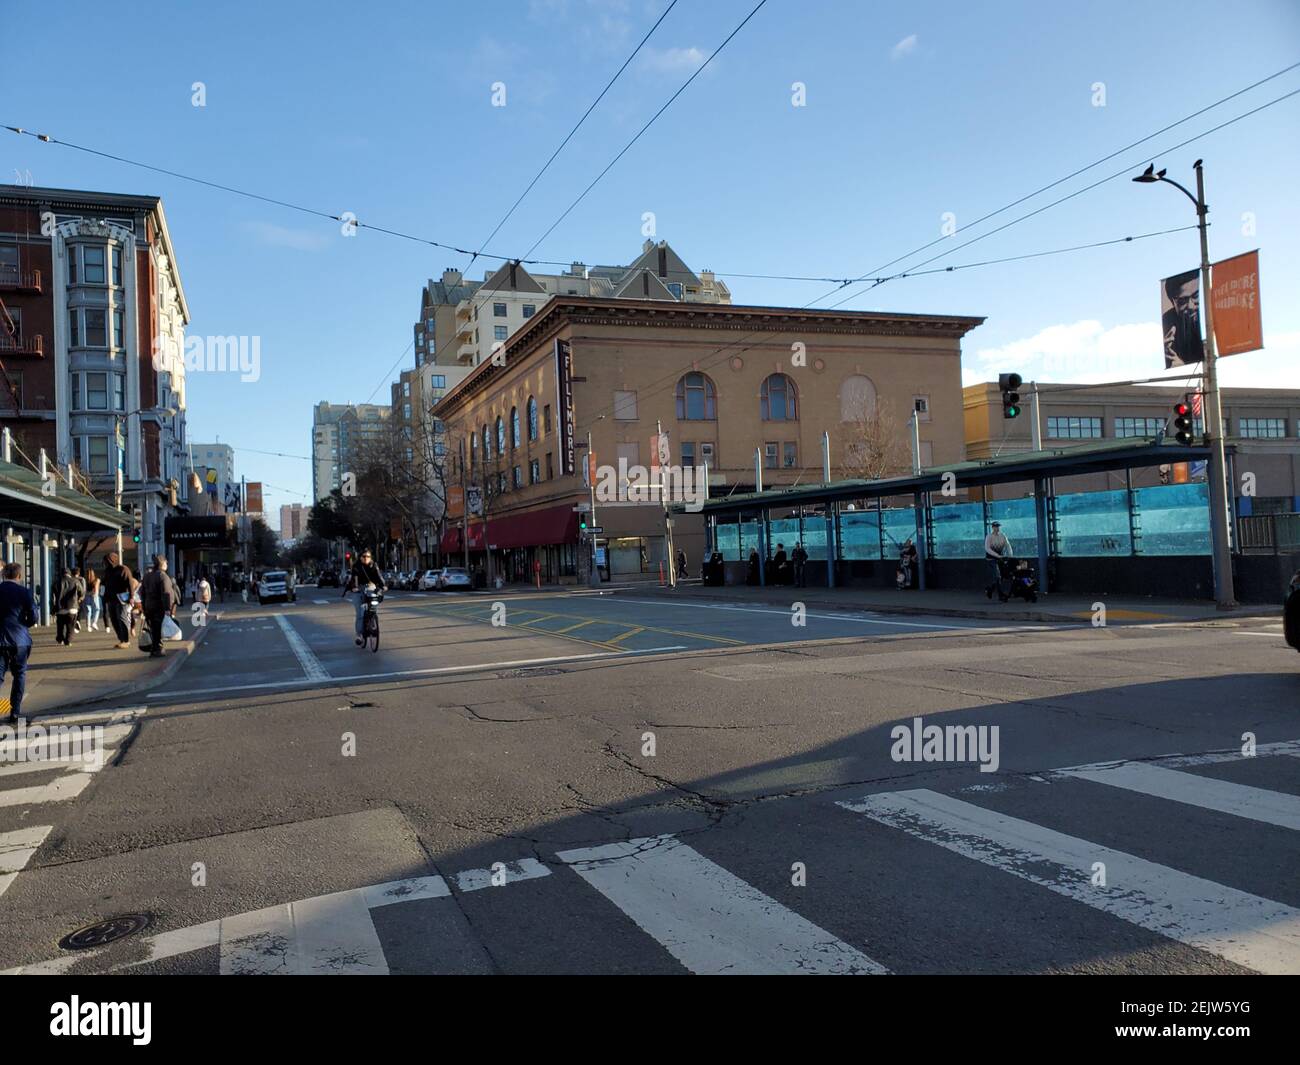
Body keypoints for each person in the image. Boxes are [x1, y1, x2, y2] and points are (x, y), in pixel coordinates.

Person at [0, 562, 38, 724]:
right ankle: (14, 712)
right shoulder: (25, 592)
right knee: (20, 675)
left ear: (3, 575)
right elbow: (34, 616)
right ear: (19, 576)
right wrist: (24, 625)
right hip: (20, 640)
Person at [342, 548, 385, 646]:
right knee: (360, 612)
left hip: (370, 587)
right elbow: (354, 578)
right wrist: (355, 588)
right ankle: (359, 635)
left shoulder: (374, 565)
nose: (366, 558)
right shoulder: (356, 566)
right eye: (364, 556)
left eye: (368, 556)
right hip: (358, 589)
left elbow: (379, 577)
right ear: (360, 557)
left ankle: (373, 623)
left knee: (373, 606)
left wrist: (383, 585)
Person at [140, 555, 179, 658]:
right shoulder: (162, 576)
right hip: (159, 606)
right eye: (166, 563)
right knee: (158, 628)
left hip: (149, 606)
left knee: (153, 628)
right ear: (162, 564)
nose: (167, 565)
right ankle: (158, 649)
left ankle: (154, 649)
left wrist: (144, 607)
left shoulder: (147, 576)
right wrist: (167, 608)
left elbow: (142, 593)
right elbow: (167, 593)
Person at [101, 552, 134, 649]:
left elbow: (130, 583)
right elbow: (105, 584)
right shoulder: (108, 571)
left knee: (121, 618)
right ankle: (121, 639)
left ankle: (126, 641)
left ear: (112, 560)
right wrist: (105, 596)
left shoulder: (123, 569)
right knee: (114, 619)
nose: (105, 563)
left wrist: (131, 597)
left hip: (122, 599)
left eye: (106, 561)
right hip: (111, 599)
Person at [984, 521, 1013, 600]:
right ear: (992, 527)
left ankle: (989, 590)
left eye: (998, 526)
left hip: (1000, 559)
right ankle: (1001, 595)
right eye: (996, 526)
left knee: (1001, 577)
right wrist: (997, 556)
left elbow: (1008, 545)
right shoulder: (989, 536)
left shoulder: (1003, 536)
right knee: (998, 576)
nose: (997, 528)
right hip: (991, 559)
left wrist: (1010, 556)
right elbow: (987, 549)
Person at [55, 567, 80, 645]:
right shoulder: (76, 581)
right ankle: (68, 640)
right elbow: (81, 592)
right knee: (70, 626)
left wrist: (54, 607)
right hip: (72, 608)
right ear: (69, 573)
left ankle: (60, 638)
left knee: (60, 626)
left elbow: (52, 596)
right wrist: (78, 599)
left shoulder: (57, 582)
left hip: (60, 608)